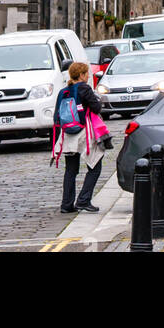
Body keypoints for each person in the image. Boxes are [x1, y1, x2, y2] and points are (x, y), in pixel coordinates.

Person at [52, 61, 107, 214]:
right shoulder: (84, 88)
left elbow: (56, 117)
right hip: (84, 133)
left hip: (68, 135)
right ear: (81, 75)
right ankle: (83, 200)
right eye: (87, 73)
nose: (88, 76)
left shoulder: (63, 91)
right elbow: (96, 108)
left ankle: (66, 204)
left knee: (70, 170)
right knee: (95, 166)